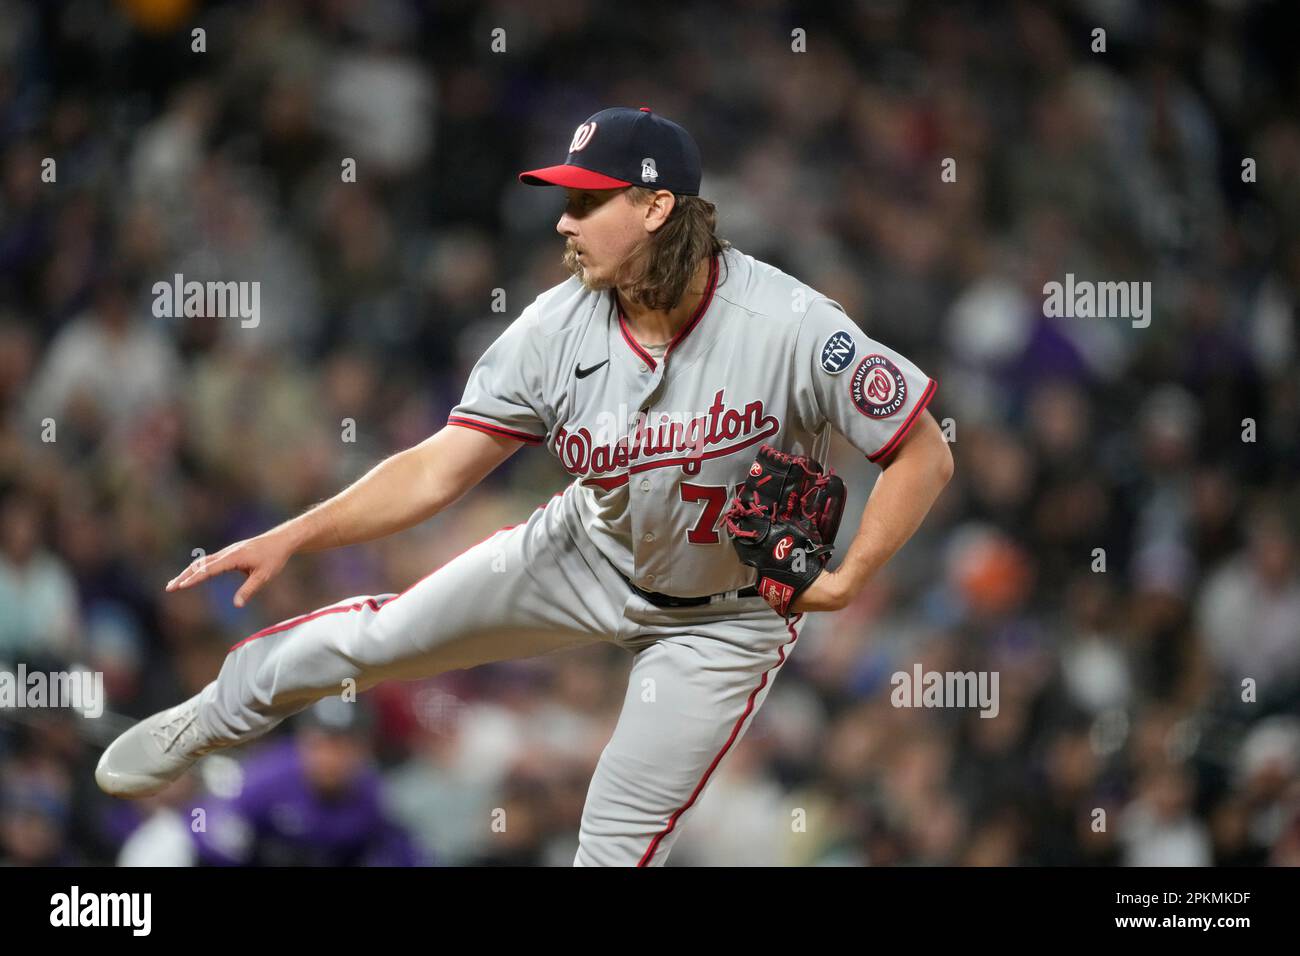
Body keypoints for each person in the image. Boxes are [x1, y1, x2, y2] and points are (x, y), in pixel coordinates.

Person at [96, 107, 954, 866]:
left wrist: (848, 578)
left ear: (656, 208)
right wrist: (295, 534)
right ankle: (212, 715)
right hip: (588, 551)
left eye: (586, 201)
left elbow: (923, 452)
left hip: (728, 623)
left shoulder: (791, 325)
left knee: (614, 844)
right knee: (381, 638)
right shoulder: (556, 326)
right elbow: (439, 467)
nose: (563, 221)